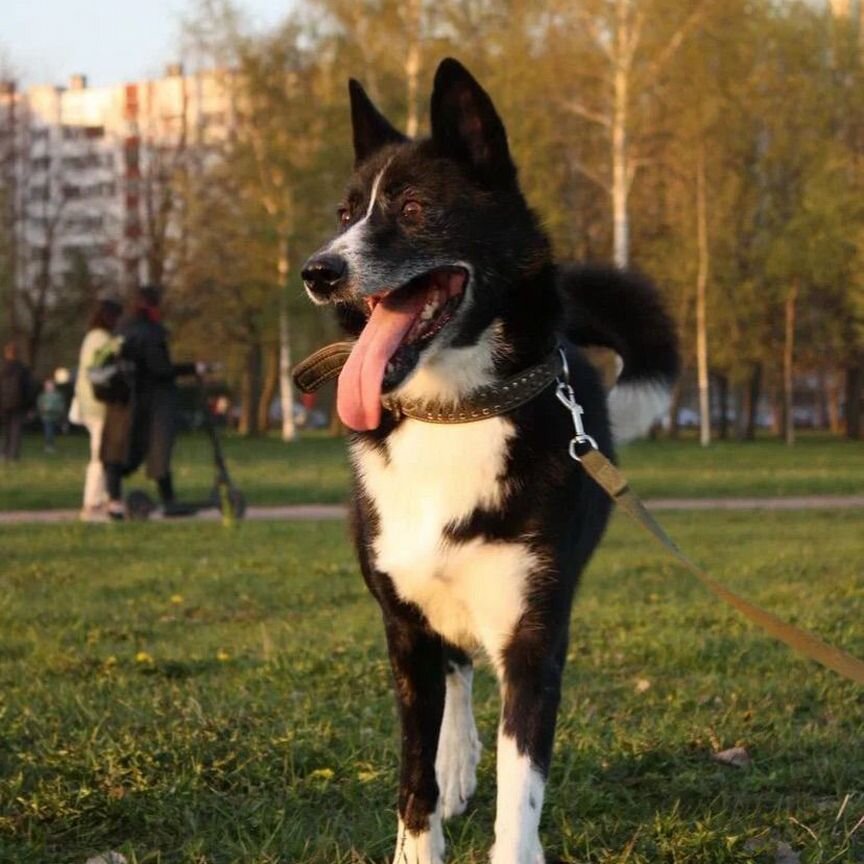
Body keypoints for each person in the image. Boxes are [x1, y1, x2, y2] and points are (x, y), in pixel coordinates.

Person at [101, 285, 202, 519]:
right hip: (152, 400)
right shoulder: (150, 332)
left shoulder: (122, 329)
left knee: (118, 451)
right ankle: (168, 501)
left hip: (123, 401)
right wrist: (191, 368)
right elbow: (160, 368)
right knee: (158, 449)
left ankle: (114, 501)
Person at [69, 295, 124, 519]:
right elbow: (104, 370)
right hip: (100, 405)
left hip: (86, 402)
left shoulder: (90, 337)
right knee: (102, 453)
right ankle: (92, 500)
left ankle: (98, 497)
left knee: (100, 450)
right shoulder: (104, 340)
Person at [0, 341, 33, 464]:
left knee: (6, 429)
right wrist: (29, 404)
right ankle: (13, 455)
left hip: (4, 403)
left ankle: (4, 453)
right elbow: (28, 388)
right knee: (16, 430)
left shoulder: (2, 368)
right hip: (19, 403)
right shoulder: (23, 369)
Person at [36, 378, 66, 453]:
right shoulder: (42, 396)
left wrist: (58, 411)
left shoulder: (58, 395)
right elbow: (39, 405)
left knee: (52, 432)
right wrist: (42, 409)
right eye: (47, 385)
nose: (49, 387)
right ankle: (48, 446)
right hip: (46, 417)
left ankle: (51, 445)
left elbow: (61, 406)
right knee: (48, 431)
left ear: (54, 386)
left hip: (55, 416)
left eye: (50, 385)